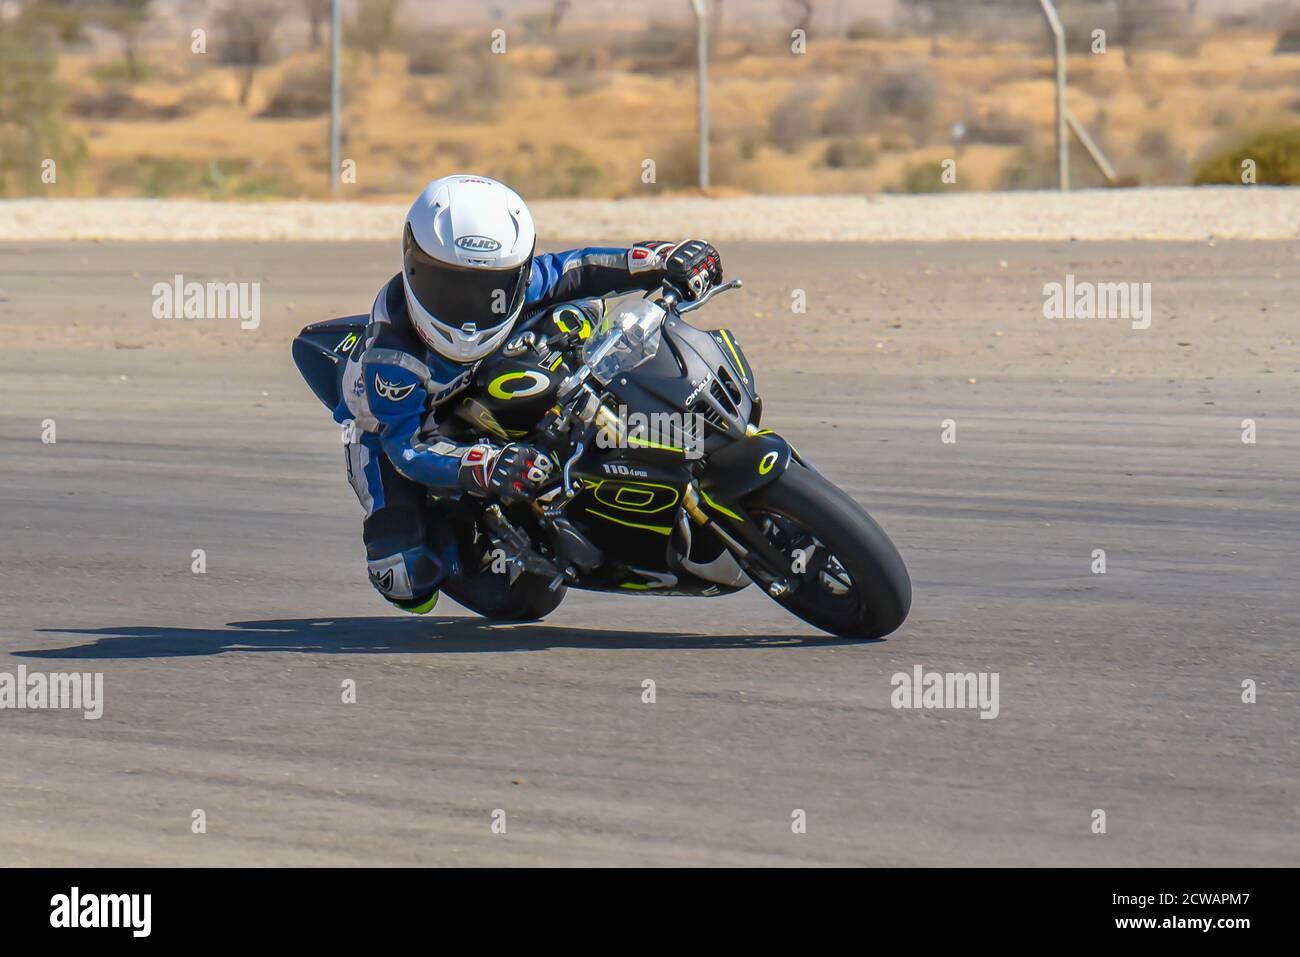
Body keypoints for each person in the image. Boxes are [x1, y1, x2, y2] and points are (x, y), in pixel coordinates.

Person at [335, 174, 723, 612]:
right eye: (450, 286)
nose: (469, 308)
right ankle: (454, 524)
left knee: (579, 317)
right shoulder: (393, 360)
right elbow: (406, 446)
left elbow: (576, 270)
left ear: (517, 275)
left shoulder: (523, 283)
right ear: (413, 266)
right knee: (404, 575)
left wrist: (661, 258)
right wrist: (481, 467)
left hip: (494, 371)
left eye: (491, 290)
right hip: (397, 428)